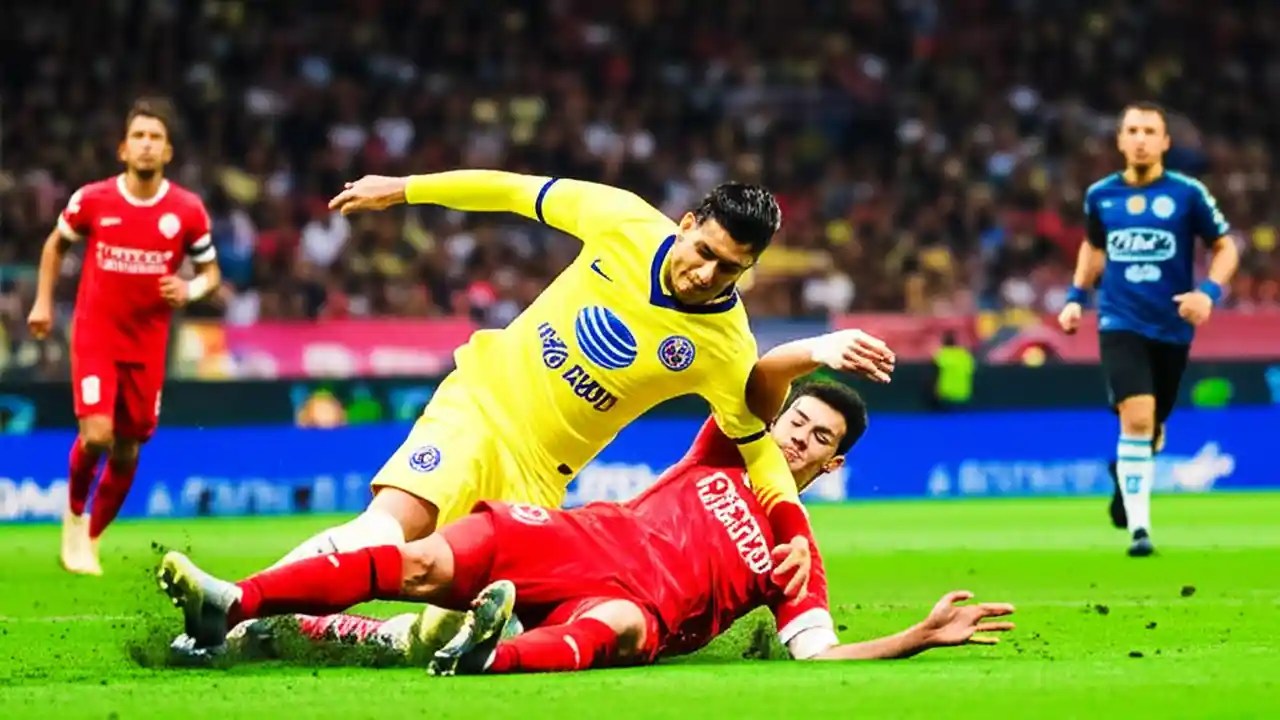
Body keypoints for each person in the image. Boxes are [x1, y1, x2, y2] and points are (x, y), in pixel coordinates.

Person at [158, 345, 1014, 673]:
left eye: (816, 437)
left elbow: (817, 656)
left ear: (833, 462)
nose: (795, 438)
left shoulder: (796, 556)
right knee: (417, 567)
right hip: (580, 537)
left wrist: (912, 638)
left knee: (620, 626)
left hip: (635, 605)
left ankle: (486, 657)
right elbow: (758, 380)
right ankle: (239, 603)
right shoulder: (730, 447)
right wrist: (816, 353)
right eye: (795, 421)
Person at [271, 171, 895, 585]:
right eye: (703, 251)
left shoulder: (726, 346)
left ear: (749, 270)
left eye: (729, 270)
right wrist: (403, 189)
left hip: (542, 476)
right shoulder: (620, 219)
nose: (707, 273)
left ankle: (316, 628)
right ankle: (237, 607)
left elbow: (757, 451)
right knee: (390, 524)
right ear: (685, 224)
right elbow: (511, 191)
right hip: (483, 404)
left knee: (456, 592)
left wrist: (791, 533)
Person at [26, 98, 221, 575]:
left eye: (155, 137)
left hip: (148, 343)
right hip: (96, 333)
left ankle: (90, 538)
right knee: (97, 435)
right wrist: (43, 302)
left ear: (168, 151)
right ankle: (73, 519)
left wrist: (190, 287)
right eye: (139, 136)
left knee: (130, 447)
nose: (147, 145)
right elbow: (55, 245)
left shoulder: (187, 211)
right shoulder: (93, 200)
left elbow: (211, 272)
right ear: (122, 148)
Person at [1058, 102, 1238, 557]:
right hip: (1119, 320)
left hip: (1173, 326)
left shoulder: (1187, 194)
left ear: (1164, 142)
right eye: (1132, 130)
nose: (1140, 138)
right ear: (1120, 140)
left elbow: (1225, 247)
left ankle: (1124, 481)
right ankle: (1141, 531)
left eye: (1149, 131)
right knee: (1137, 419)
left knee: (1153, 429)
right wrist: (1077, 298)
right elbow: (1094, 248)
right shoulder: (1101, 195)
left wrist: (1208, 294)